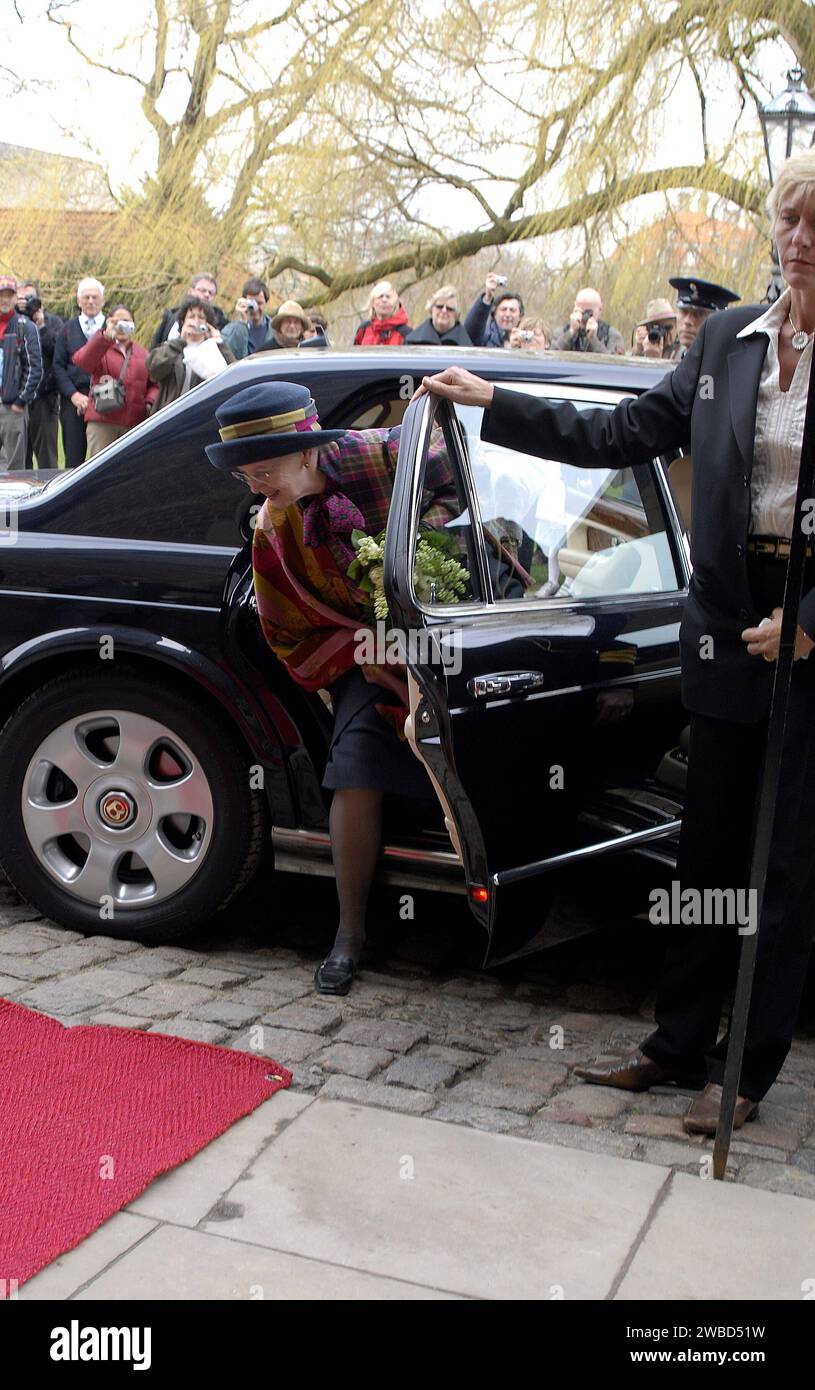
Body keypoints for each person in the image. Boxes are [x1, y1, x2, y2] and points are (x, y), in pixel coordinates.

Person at [415, 148, 815, 1136]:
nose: (800, 239)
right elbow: (624, 431)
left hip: (807, 631)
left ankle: (743, 1068)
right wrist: (493, 401)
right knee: (706, 856)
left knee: (783, 869)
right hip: (725, 626)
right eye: (790, 219)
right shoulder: (726, 339)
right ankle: (675, 1045)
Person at [205, 381, 458, 996]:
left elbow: (469, 484)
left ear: (306, 450)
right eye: (246, 477)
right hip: (362, 657)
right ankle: (349, 935)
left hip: (454, 631)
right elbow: (285, 626)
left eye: (264, 472)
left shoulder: (388, 453)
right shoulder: (272, 527)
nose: (257, 489)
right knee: (355, 765)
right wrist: (364, 653)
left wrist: (414, 547)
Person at [71, 304, 157, 458]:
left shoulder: (143, 354)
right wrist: (105, 337)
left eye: (126, 321)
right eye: (117, 321)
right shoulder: (101, 348)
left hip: (133, 424)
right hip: (102, 423)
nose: (122, 326)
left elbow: (154, 384)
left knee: (131, 467)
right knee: (101, 466)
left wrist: (149, 402)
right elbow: (82, 361)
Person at [146, 296, 235, 413]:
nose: (196, 321)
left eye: (201, 317)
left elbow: (232, 375)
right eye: (191, 317)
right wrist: (180, 341)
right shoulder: (172, 347)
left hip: (198, 415)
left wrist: (219, 342)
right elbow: (153, 370)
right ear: (183, 321)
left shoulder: (213, 350)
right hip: (168, 414)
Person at [53, 276, 107, 467]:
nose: (91, 301)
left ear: (103, 300)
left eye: (95, 297)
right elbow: (58, 366)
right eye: (86, 297)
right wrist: (73, 395)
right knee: (73, 460)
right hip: (73, 402)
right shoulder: (67, 330)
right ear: (78, 301)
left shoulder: (111, 328)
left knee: (103, 458)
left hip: (106, 400)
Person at [16, 279, 63, 469]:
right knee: (19, 460)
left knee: (47, 459)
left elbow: (59, 354)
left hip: (44, 398)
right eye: (22, 298)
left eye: (30, 297)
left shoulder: (53, 322)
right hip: (17, 399)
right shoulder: (14, 323)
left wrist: (42, 327)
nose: (26, 302)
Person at [0, 273, 42, 470]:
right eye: (1, 295)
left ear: (16, 297)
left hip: (12, 408)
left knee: (14, 468)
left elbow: (34, 368)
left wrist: (20, 401)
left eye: (9, 295)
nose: (5, 299)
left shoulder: (26, 327)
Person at [150, 273, 228, 349]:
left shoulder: (222, 325)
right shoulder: (171, 317)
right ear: (190, 291)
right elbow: (155, 348)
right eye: (203, 290)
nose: (207, 295)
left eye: (211, 293)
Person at [669, 276, 741, 358]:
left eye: (699, 314)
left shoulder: (726, 363)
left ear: (719, 322)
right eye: (684, 312)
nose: (688, 321)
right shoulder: (675, 357)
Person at [553, 288, 625, 354]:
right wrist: (570, 333)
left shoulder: (611, 335)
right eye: (579, 310)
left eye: (587, 312)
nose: (583, 316)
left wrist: (593, 339)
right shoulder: (561, 332)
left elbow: (613, 362)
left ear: (600, 309)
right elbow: (551, 356)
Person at [464, 273, 524, 347]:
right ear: (494, 314)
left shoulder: (525, 339)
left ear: (520, 316)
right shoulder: (485, 337)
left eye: (512, 310)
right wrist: (487, 298)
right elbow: (470, 331)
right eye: (503, 309)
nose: (508, 314)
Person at [405, 286, 473, 346]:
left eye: (449, 308)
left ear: (456, 314)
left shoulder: (466, 347)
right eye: (439, 306)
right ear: (431, 309)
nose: (444, 311)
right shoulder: (411, 342)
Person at [353, 281, 412, 345]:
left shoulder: (406, 333)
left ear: (395, 303)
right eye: (380, 296)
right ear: (372, 303)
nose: (384, 300)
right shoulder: (364, 329)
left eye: (388, 297)